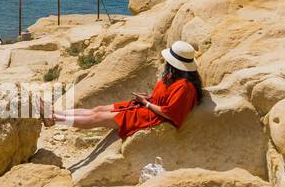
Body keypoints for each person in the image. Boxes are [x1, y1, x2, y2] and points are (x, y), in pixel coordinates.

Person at [46, 42, 202, 138]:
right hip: (147, 108)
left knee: (98, 118)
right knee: (98, 109)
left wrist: (146, 104)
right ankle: (54, 114)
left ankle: (54, 119)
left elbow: (170, 112)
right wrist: (147, 99)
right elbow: (163, 99)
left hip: (153, 117)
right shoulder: (173, 78)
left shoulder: (184, 86)